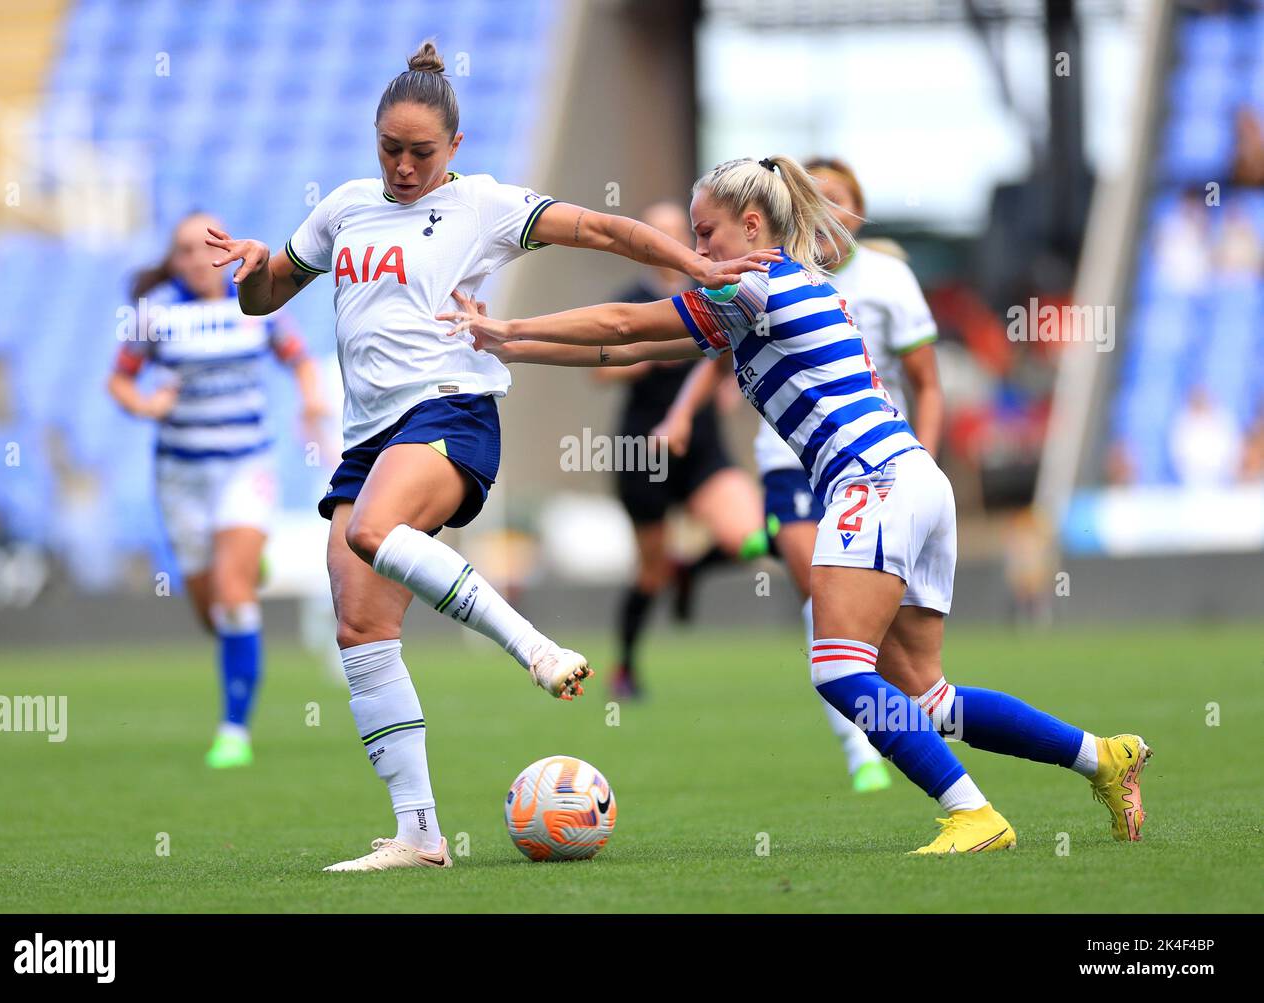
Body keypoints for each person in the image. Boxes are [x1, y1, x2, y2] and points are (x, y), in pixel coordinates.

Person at [442, 155, 1152, 853]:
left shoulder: (752, 287)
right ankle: (1102, 757)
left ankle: (973, 814)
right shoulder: (784, 283)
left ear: (752, 225)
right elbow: (629, 346)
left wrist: (510, 331)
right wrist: (513, 341)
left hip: (871, 481)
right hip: (911, 479)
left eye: (705, 233)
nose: (697, 251)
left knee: (841, 670)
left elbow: (628, 325)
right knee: (928, 697)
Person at [203, 42, 776, 871]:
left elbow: (602, 228)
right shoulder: (343, 209)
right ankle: (420, 835)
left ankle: (533, 648)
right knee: (361, 628)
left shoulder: (485, 206)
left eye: (421, 153)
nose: (402, 166)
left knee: (371, 529)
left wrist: (692, 263)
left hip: (449, 411)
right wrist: (254, 270)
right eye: (389, 148)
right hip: (369, 437)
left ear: (456, 149)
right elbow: (264, 299)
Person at [653, 158, 944, 794]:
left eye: (839, 200)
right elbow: (706, 348)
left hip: (877, 468)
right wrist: (680, 412)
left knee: (891, 676)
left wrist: (923, 462)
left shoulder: (866, 279)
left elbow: (926, 380)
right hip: (796, 460)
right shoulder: (764, 283)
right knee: (841, 625)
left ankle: (965, 785)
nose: (828, 213)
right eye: (819, 199)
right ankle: (863, 747)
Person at [109, 210, 327, 769]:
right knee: (213, 613)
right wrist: (144, 404)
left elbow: (299, 361)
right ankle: (247, 570)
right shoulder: (152, 317)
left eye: (204, 247)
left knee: (233, 598)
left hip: (244, 468)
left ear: (222, 251)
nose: (194, 259)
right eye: (182, 250)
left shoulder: (254, 302)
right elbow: (119, 380)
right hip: (181, 477)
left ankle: (234, 730)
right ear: (173, 259)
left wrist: (311, 401)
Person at [597, 201, 767, 698]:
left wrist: (731, 383)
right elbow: (601, 369)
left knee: (750, 539)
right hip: (641, 447)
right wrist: (652, 351)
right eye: (660, 234)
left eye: (682, 233)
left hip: (701, 440)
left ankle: (688, 571)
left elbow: (735, 351)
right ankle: (625, 667)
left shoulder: (711, 292)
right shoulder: (631, 302)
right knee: (648, 567)